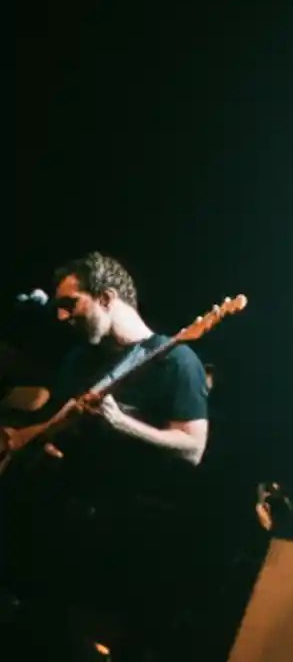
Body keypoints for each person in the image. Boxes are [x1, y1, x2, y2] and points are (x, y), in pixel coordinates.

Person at [0, 251, 210, 660]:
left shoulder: (177, 360)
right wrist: (44, 445)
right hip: (58, 524)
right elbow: (61, 425)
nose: (62, 318)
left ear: (107, 297)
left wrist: (121, 425)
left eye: (70, 305)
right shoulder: (79, 359)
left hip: (120, 536)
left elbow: (193, 448)